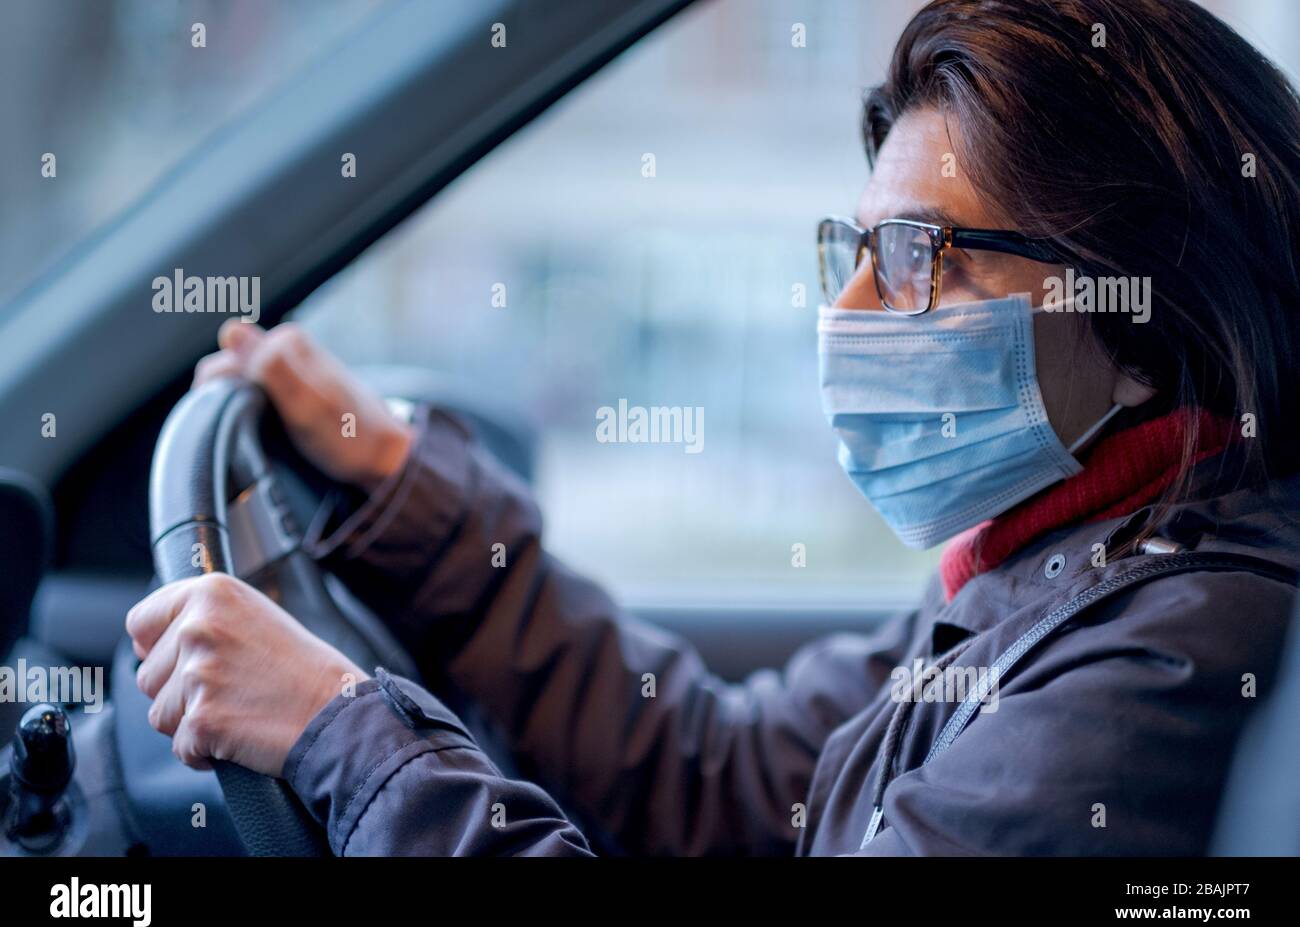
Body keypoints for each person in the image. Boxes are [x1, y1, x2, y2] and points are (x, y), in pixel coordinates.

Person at [127, 0, 1300, 855]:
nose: (844, 310)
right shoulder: (1041, 566)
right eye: (854, 250)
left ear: (1146, 309)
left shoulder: (1156, 665)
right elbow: (721, 777)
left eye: (915, 258)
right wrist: (406, 490)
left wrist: (343, 734)